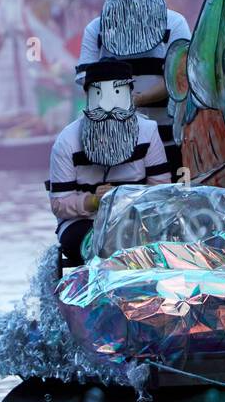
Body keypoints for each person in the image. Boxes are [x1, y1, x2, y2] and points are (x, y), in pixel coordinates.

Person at [77, 0, 191, 176]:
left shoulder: (175, 24)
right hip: (113, 141)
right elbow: (86, 81)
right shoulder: (96, 30)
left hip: (168, 137)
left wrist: (134, 101)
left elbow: (181, 78)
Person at [47, 59, 171, 265]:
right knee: (89, 241)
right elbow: (58, 203)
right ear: (88, 97)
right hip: (83, 222)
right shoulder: (67, 140)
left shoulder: (148, 131)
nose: (108, 107)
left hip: (137, 218)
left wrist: (126, 200)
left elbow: (161, 190)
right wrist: (92, 202)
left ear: (130, 95)